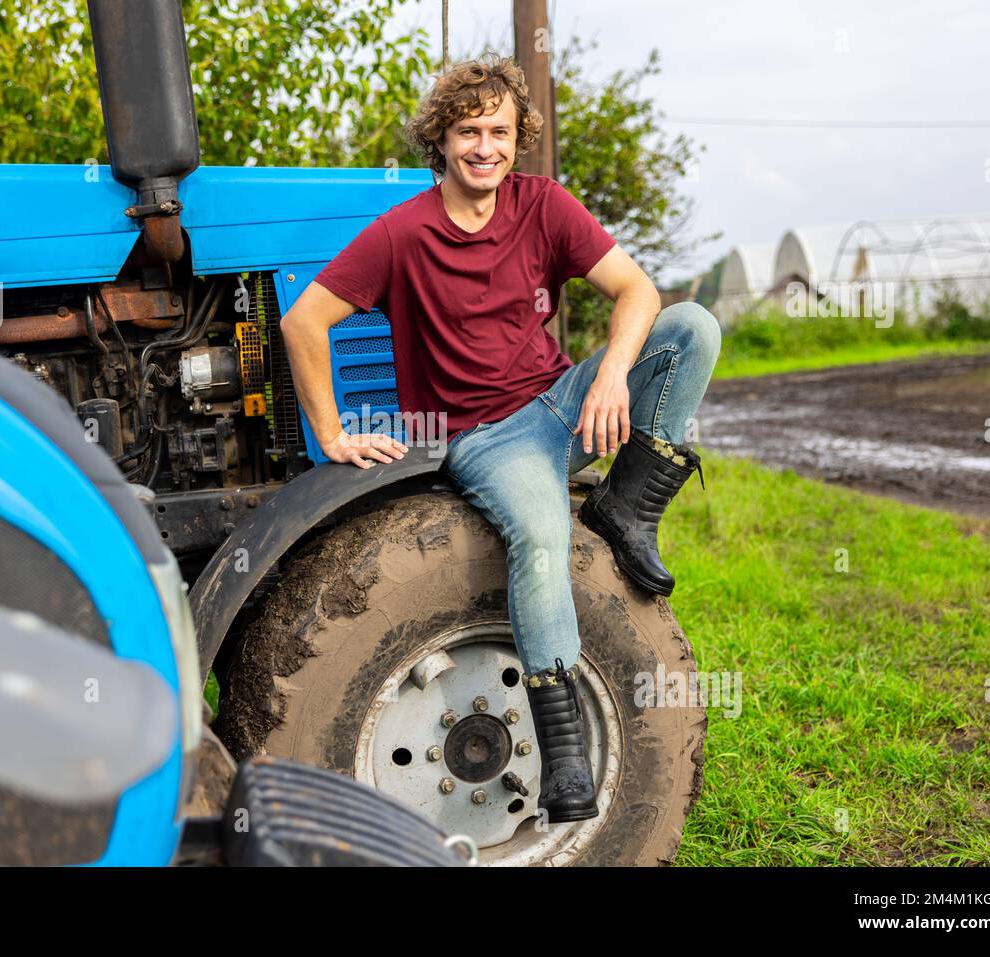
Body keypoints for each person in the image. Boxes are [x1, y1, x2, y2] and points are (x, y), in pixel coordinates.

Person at [280, 55, 719, 822]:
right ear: (442, 141)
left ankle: (629, 511)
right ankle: (566, 754)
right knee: (543, 536)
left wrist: (613, 373)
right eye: (469, 131)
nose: (485, 146)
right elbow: (302, 321)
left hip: (561, 404)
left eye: (500, 132)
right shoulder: (402, 233)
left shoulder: (542, 204)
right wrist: (332, 433)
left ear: (520, 140)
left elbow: (637, 290)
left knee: (691, 328)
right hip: (487, 437)